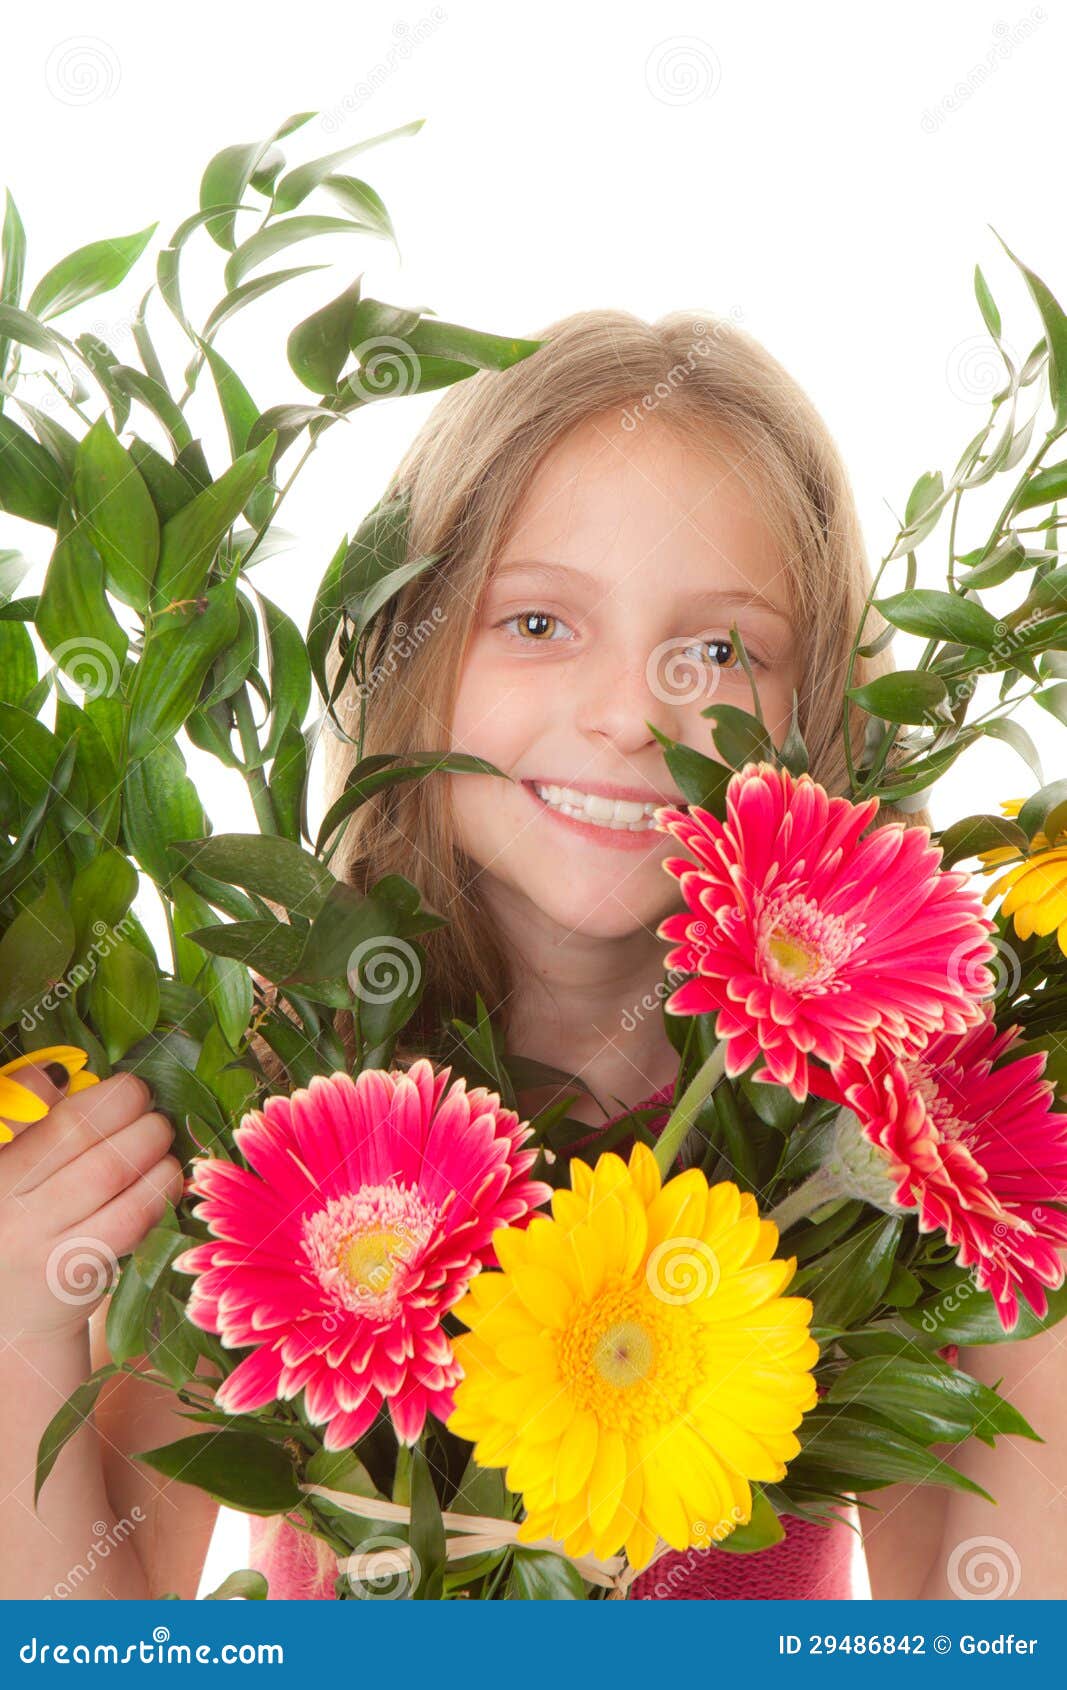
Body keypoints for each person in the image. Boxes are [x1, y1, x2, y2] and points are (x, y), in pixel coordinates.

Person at [3, 310, 1063, 1601]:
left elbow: (989, 1637)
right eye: (539, 621)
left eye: (720, 648)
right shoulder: (254, 1104)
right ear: (407, 650)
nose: (630, 711)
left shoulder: (893, 1149)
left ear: (820, 717)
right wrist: (18, 1334)